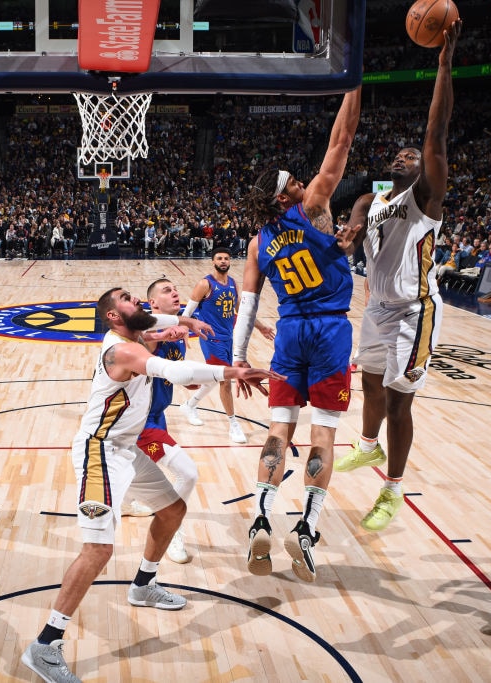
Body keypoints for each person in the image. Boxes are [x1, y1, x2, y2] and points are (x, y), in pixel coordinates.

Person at [21, 287, 283, 683]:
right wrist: (232, 371)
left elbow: (155, 323)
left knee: (173, 508)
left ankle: (143, 585)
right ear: (112, 316)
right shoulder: (122, 351)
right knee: (98, 549)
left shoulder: (134, 335)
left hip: (126, 447)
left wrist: (185, 321)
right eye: (128, 298)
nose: (137, 302)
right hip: (99, 451)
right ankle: (44, 644)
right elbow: (176, 372)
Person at [332, 19, 462, 532]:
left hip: (415, 309)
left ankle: (393, 489)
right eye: (399, 154)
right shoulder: (373, 198)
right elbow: (354, 226)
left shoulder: (425, 199)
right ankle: (366, 448)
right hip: (378, 309)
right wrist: (346, 234)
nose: (405, 156)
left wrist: (444, 61)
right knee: (368, 384)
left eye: (413, 155)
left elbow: (437, 132)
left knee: (400, 404)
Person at [232, 84, 362, 581]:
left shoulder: (255, 241)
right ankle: (306, 528)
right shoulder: (313, 206)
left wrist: (240, 358)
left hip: (288, 334)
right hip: (329, 332)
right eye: (296, 180)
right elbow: (342, 141)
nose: (306, 180)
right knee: (323, 433)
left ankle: (261, 514)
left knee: (278, 430)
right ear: (288, 194)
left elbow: (247, 307)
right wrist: (354, 83)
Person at [130, 278, 203, 563]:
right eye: (166, 291)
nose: (175, 293)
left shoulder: (178, 334)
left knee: (137, 471)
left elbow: (174, 371)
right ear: (153, 305)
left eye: (175, 289)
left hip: (157, 414)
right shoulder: (141, 336)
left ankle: (130, 502)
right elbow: (145, 353)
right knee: (188, 473)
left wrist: (191, 382)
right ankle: (171, 529)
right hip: (139, 422)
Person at [180, 247, 275, 443]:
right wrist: (183, 332)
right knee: (225, 381)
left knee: (215, 378)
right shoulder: (205, 284)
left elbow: (242, 310)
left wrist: (261, 327)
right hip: (211, 339)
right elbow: (187, 314)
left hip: (228, 338)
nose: (223, 261)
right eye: (219, 258)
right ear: (212, 261)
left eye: (226, 258)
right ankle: (233, 425)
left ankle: (190, 404)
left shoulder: (232, 283)